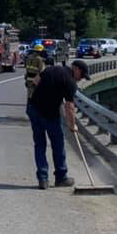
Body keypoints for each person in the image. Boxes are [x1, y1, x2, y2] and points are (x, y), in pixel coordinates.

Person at [27, 58, 89, 189]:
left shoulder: (51, 69)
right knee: (58, 144)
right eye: (82, 75)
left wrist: (46, 92)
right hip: (50, 114)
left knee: (40, 144)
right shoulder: (71, 82)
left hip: (34, 109)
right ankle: (61, 177)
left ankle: (43, 179)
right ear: (76, 69)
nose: (81, 78)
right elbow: (69, 107)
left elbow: (35, 81)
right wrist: (72, 126)